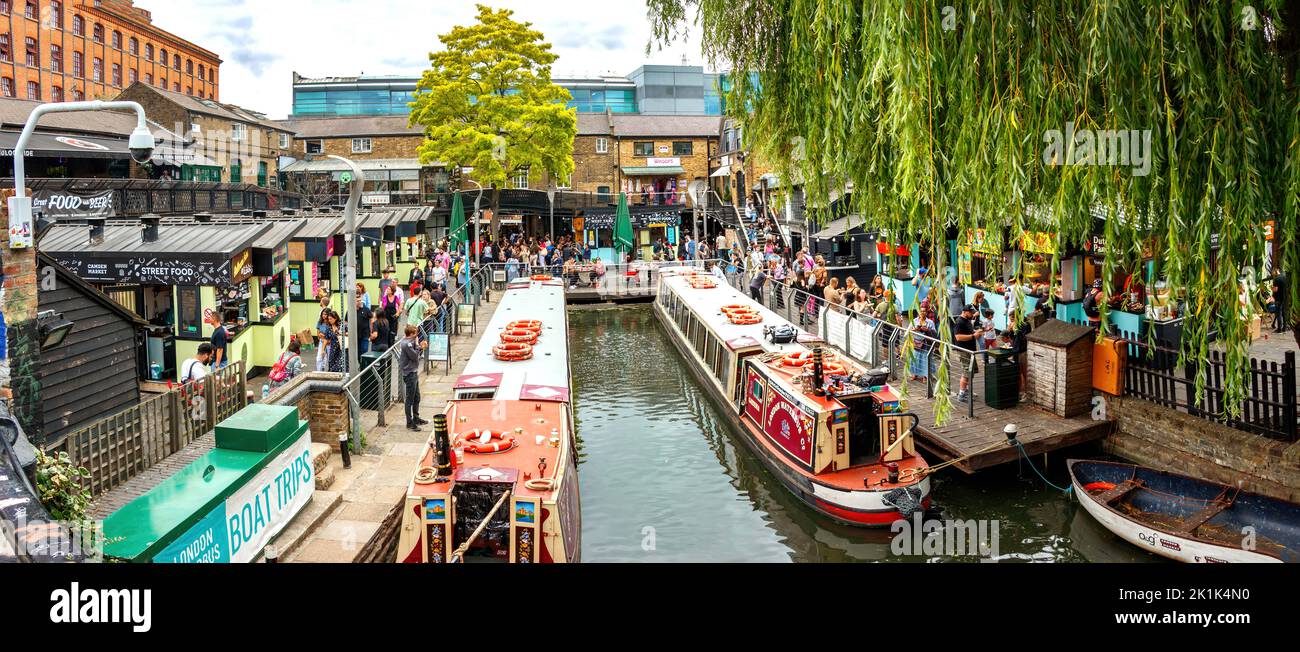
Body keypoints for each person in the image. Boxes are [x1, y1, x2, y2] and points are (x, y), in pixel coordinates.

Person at [399, 324, 427, 431]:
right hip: (409, 374)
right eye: (416, 334)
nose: (417, 335)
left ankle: (416, 418)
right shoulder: (407, 344)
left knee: (417, 397)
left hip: (413, 372)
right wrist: (421, 348)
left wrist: (419, 346)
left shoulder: (409, 342)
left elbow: (415, 349)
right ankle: (409, 423)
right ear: (411, 334)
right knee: (410, 399)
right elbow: (415, 356)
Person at [953, 304, 979, 403]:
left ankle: (966, 390)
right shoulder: (959, 322)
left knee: (970, 372)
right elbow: (958, 337)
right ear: (964, 312)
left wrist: (978, 332)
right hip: (964, 350)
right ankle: (961, 394)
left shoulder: (967, 320)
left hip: (970, 350)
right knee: (966, 372)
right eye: (970, 312)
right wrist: (973, 336)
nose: (972, 314)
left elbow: (969, 332)